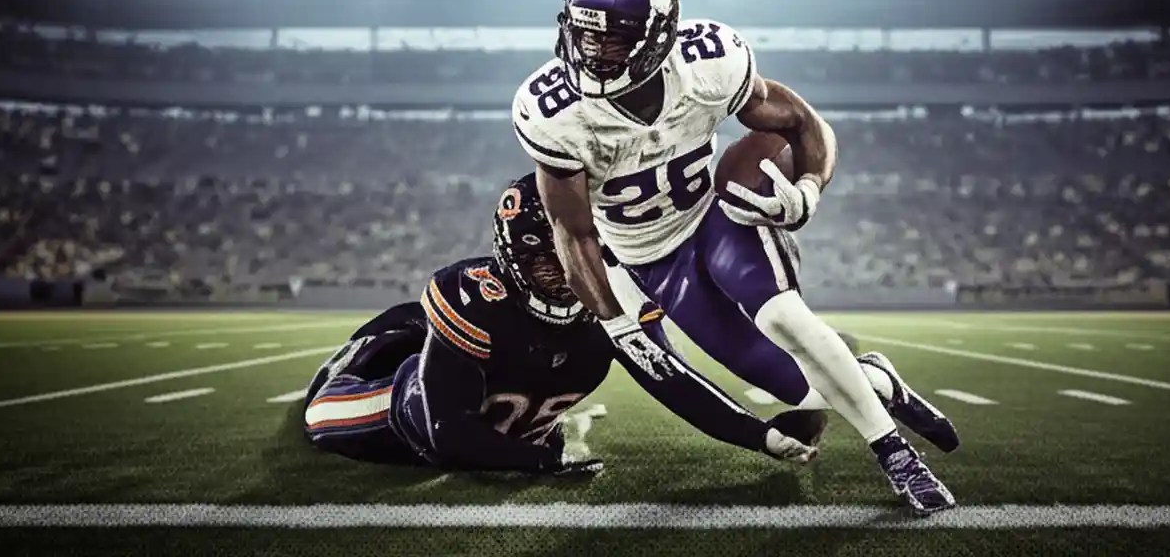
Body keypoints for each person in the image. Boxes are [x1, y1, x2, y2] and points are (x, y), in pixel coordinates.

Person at [512, 0, 957, 512]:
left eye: (616, 37)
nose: (595, 51)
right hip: (653, 261)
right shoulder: (554, 110)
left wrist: (809, 190)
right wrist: (618, 324)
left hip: (718, 218)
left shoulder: (708, 63)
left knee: (784, 316)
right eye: (585, 34)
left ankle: (897, 457)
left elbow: (801, 122)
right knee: (803, 389)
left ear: (659, 34)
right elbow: (571, 233)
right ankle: (883, 384)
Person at [302, 174, 823, 474]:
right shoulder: (476, 298)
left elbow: (672, 382)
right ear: (510, 258)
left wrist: (761, 436)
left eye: (568, 251)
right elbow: (447, 435)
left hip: (510, 430)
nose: (560, 272)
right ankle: (376, 342)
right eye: (540, 257)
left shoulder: (613, 294)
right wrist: (540, 464)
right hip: (404, 419)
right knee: (319, 411)